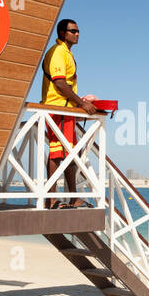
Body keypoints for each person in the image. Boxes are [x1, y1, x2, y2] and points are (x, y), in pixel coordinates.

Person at [40, 19, 99, 208]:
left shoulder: (65, 53)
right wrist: (81, 103)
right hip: (57, 108)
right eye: (73, 31)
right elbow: (59, 83)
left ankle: (73, 197)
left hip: (66, 109)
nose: (77, 34)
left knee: (72, 153)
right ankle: (52, 199)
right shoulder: (57, 52)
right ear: (62, 33)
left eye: (78, 31)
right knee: (57, 152)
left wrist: (80, 102)